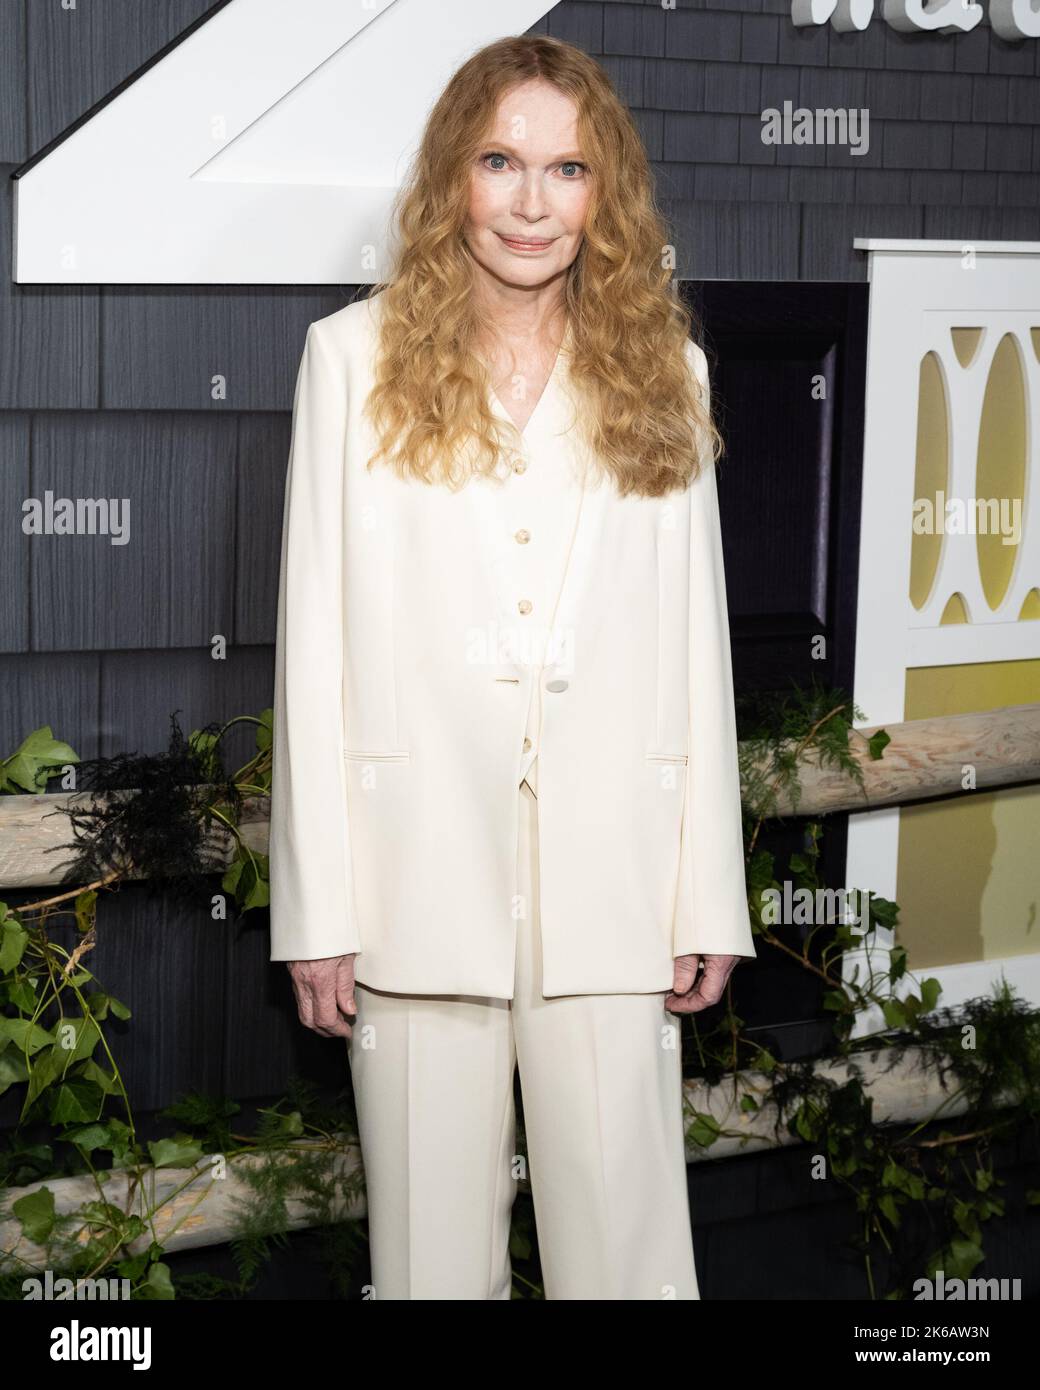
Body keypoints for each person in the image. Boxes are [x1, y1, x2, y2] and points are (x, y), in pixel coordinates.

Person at [268, 34, 756, 1301]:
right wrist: (319, 910)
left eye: (566, 167)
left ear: (607, 196)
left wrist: (705, 893)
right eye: (500, 161)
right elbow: (310, 649)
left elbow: (693, 646)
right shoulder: (349, 364)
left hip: (613, 895)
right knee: (429, 1271)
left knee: (629, 1268)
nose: (533, 202)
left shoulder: (669, 374)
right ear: (453, 178)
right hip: (413, 887)